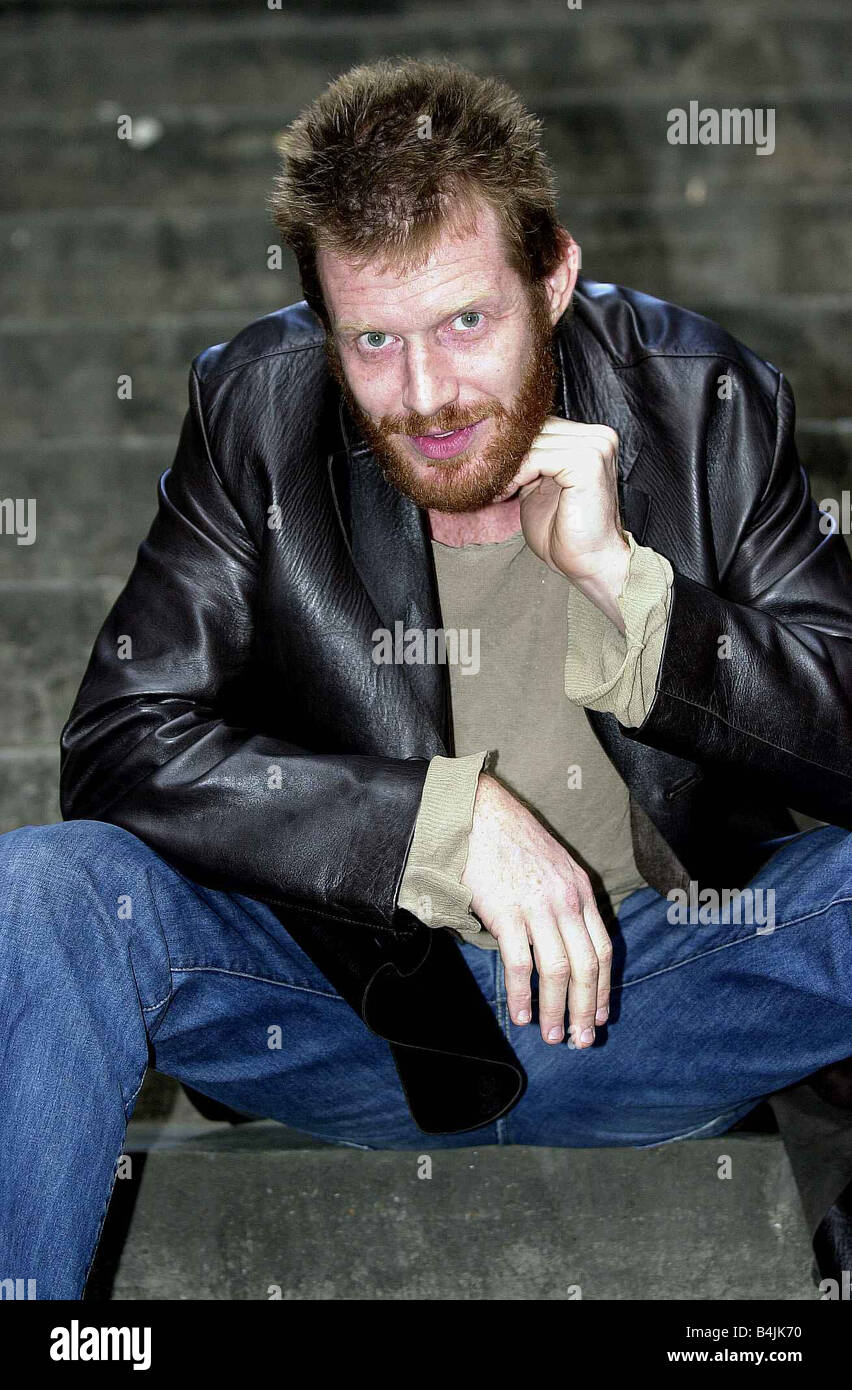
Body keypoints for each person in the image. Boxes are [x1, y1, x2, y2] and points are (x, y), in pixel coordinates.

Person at [2, 58, 851, 1300]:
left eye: (466, 321)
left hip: (668, 989)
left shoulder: (707, 401)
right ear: (322, 324)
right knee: (45, 889)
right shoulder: (258, 409)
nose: (427, 396)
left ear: (552, 275)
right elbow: (123, 742)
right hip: (350, 1011)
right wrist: (433, 823)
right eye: (374, 341)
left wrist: (632, 592)